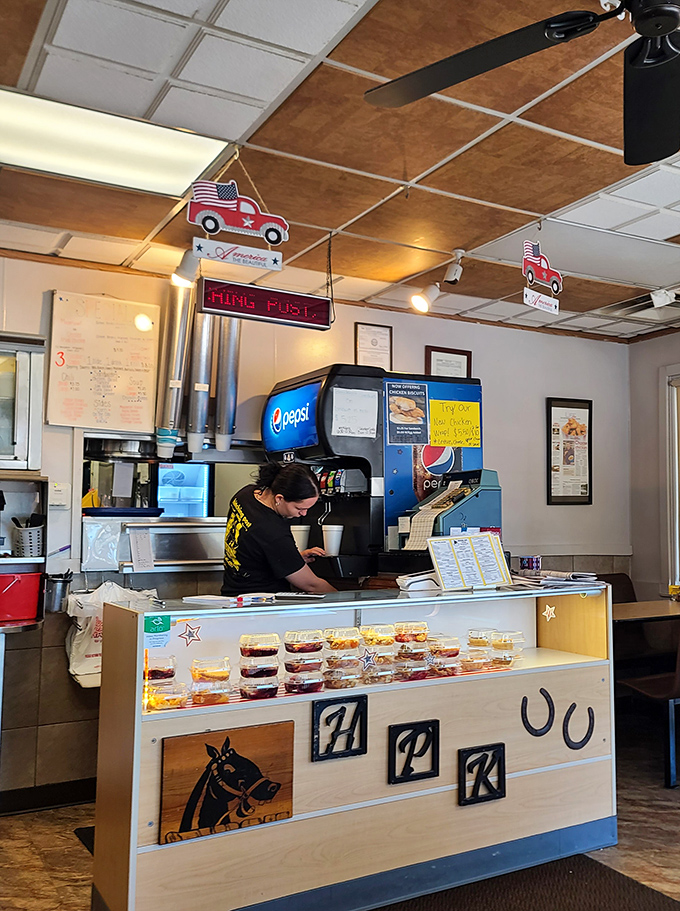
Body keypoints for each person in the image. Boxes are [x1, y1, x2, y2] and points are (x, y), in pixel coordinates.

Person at [221, 462, 337, 595]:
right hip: (260, 603)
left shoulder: (244, 495)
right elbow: (311, 585)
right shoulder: (272, 531)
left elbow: (253, 548)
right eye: (300, 508)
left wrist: (291, 559)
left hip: (232, 594)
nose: (304, 514)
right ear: (279, 498)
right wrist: (346, 602)